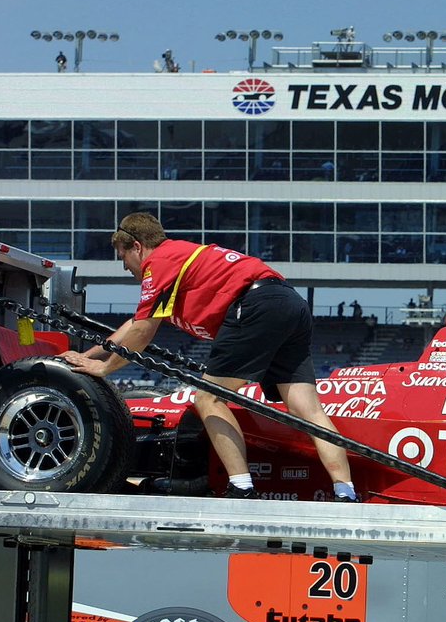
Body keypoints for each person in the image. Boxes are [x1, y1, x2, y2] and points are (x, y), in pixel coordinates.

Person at [61, 212, 359, 502]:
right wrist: (85, 356)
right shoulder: (179, 260)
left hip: (255, 304)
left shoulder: (160, 261)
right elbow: (131, 326)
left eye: (123, 257)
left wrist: (104, 368)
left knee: (208, 399)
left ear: (137, 247)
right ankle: (345, 492)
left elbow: (142, 332)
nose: (125, 267)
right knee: (307, 410)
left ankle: (241, 487)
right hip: (289, 302)